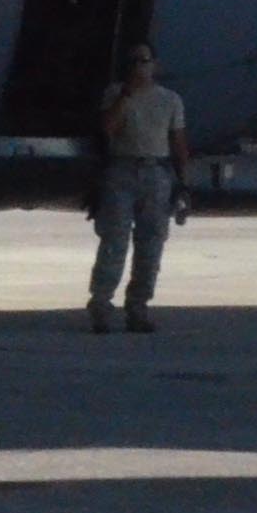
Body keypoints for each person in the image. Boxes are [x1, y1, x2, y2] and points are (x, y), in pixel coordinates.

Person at [89, 40, 191, 333]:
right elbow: (107, 128)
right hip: (121, 170)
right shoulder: (115, 94)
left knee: (151, 244)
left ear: (154, 65)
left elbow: (179, 143)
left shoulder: (170, 100)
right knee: (114, 242)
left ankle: (138, 308)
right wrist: (125, 96)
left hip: (157, 172)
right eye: (133, 62)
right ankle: (101, 307)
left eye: (143, 61)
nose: (139, 67)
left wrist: (184, 184)